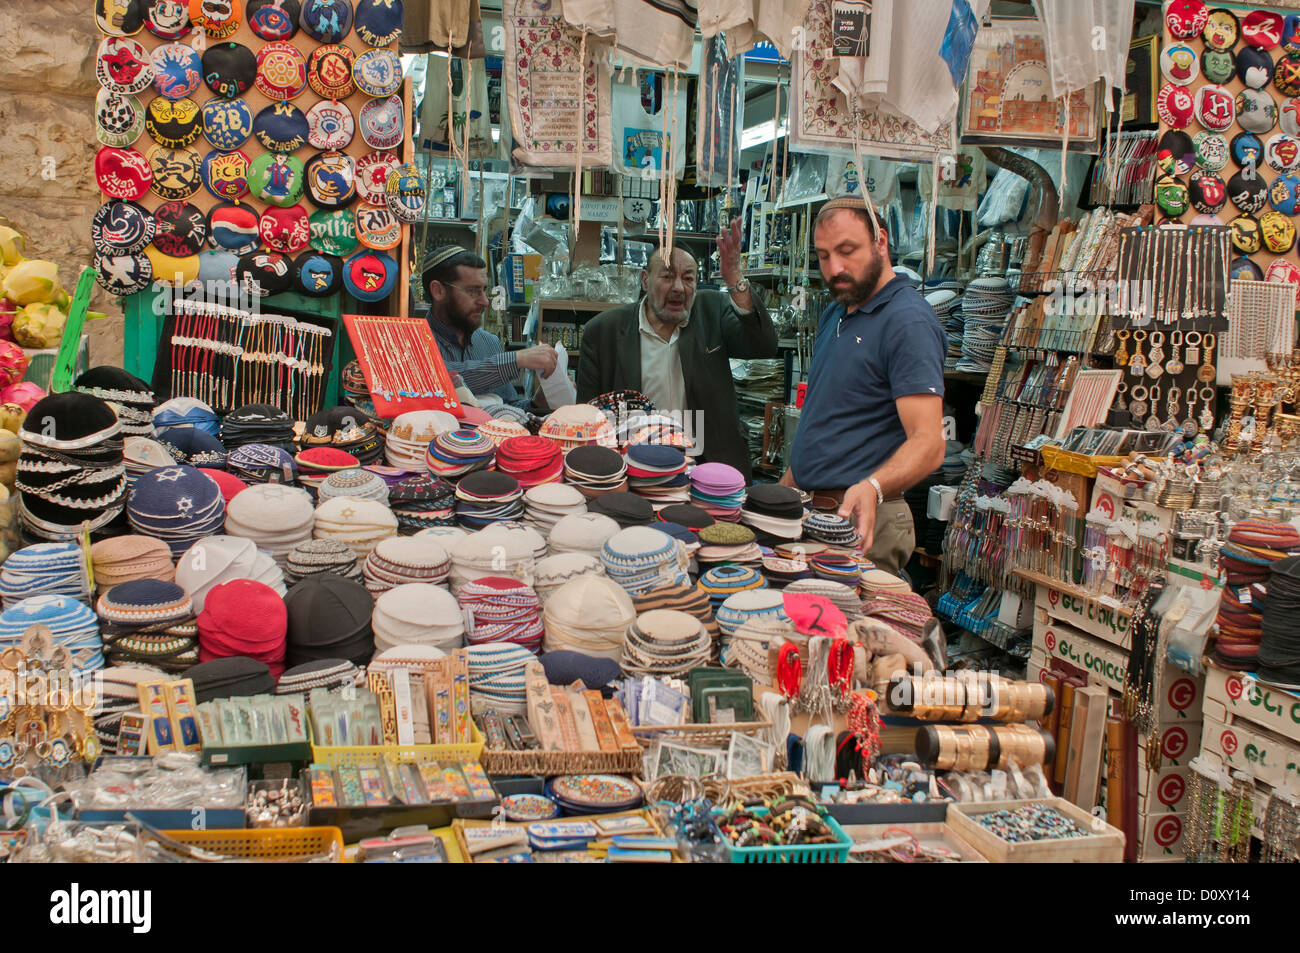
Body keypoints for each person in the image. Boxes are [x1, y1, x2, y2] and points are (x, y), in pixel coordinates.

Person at [784, 195, 946, 576]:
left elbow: (930, 443)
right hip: (815, 513)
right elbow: (828, 416)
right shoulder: (835, 312)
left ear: (881, 242)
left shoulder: (907, 322)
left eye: (847, 250)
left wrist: (873, 486)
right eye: (823, 255)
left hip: (865, 520)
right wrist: (789, 488)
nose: (834, 267)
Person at [576, 219, 777, 479]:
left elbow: (764, 345)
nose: (679, 288)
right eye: (668, 276)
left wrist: (735, 277)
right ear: (645, 280)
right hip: (631, 464)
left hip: (707, 463)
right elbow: (586, 415)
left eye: (688, 278)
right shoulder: (603, 331)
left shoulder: (711, 310)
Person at [423, 246, 558, 409]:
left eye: (484, 290)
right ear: (438, 291)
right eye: (473, 291)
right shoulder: (414, 342)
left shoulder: (489, 342)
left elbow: (507, 407)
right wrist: (516, 359)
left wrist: (536, 403)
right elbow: (443, 379)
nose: (485, 301)